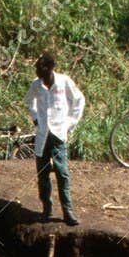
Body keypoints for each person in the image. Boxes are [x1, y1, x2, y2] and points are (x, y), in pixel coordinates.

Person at [24, 52, 84, 226]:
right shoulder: (36, 85)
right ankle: (47, 209)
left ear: (50, 68)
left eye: (41, 68)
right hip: (43, 134)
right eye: (36, 68)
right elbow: (29, 101)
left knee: (62, 173)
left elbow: (79, 100)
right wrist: (35, 118)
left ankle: (68, 211)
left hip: (58, 134)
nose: (37, 71)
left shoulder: (64, 81)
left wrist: (70, 123)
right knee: (42, 174)